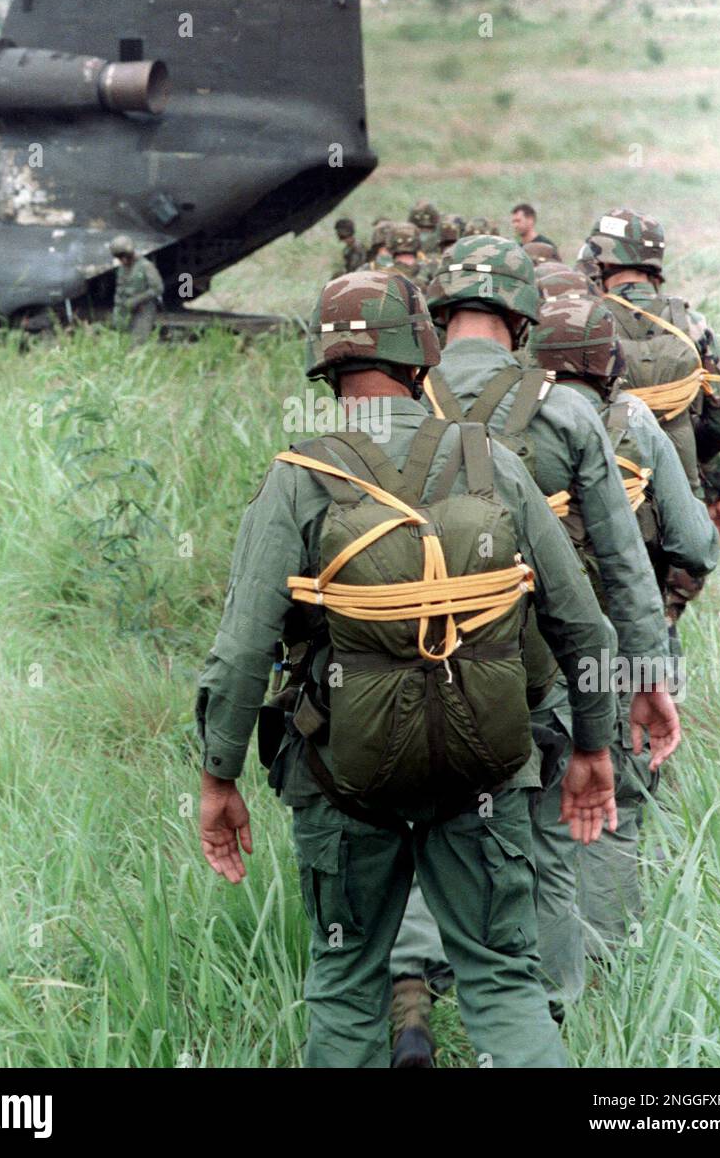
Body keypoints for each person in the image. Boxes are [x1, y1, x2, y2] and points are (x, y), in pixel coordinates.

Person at [197, 269, 619, 1070]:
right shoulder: (491, 459)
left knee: (346, 978)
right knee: (501, 978)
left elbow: (243, 645)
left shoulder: (300, 475)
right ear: (421, 354)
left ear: (325, 369)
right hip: (485, 769)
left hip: (338, 772)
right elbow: (581, 625)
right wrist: (593, 748)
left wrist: (220, 777)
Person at [388, 233, 678, 1035]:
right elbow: (622, 566)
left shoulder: (395, 404)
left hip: (411, 664)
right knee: (554, 836)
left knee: (419, 826)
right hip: (537, 669)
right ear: (522, 322)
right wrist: (646, 679)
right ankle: (540, 1021)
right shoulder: (568, 411)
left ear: (439, 314)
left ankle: (410, 991)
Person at [529, 293, 718, 964]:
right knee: (612, 815)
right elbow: (696, 543)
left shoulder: (497, 426)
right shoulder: (633, 420)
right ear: (607, 361)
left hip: (514, 659)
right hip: (619, 653)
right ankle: (603, 971)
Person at [580, 210, 720, 641]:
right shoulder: (691, 324)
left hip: (597, 509)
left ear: (600, 262)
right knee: (659, 627)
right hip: (676, 510)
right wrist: (707, 483)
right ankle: (661, 700)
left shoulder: (578, 323)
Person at [110, 235, 163, 343]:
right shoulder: (121, 269)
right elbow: (120, 290)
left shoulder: (146, 266)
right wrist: (118, 310)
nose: (123, 260)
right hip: (126, 310)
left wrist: (137, 299)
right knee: (123, 341)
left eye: (125, 256)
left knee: (138, 341)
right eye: (119, 257)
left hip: (143, 309)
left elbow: (158, 288)